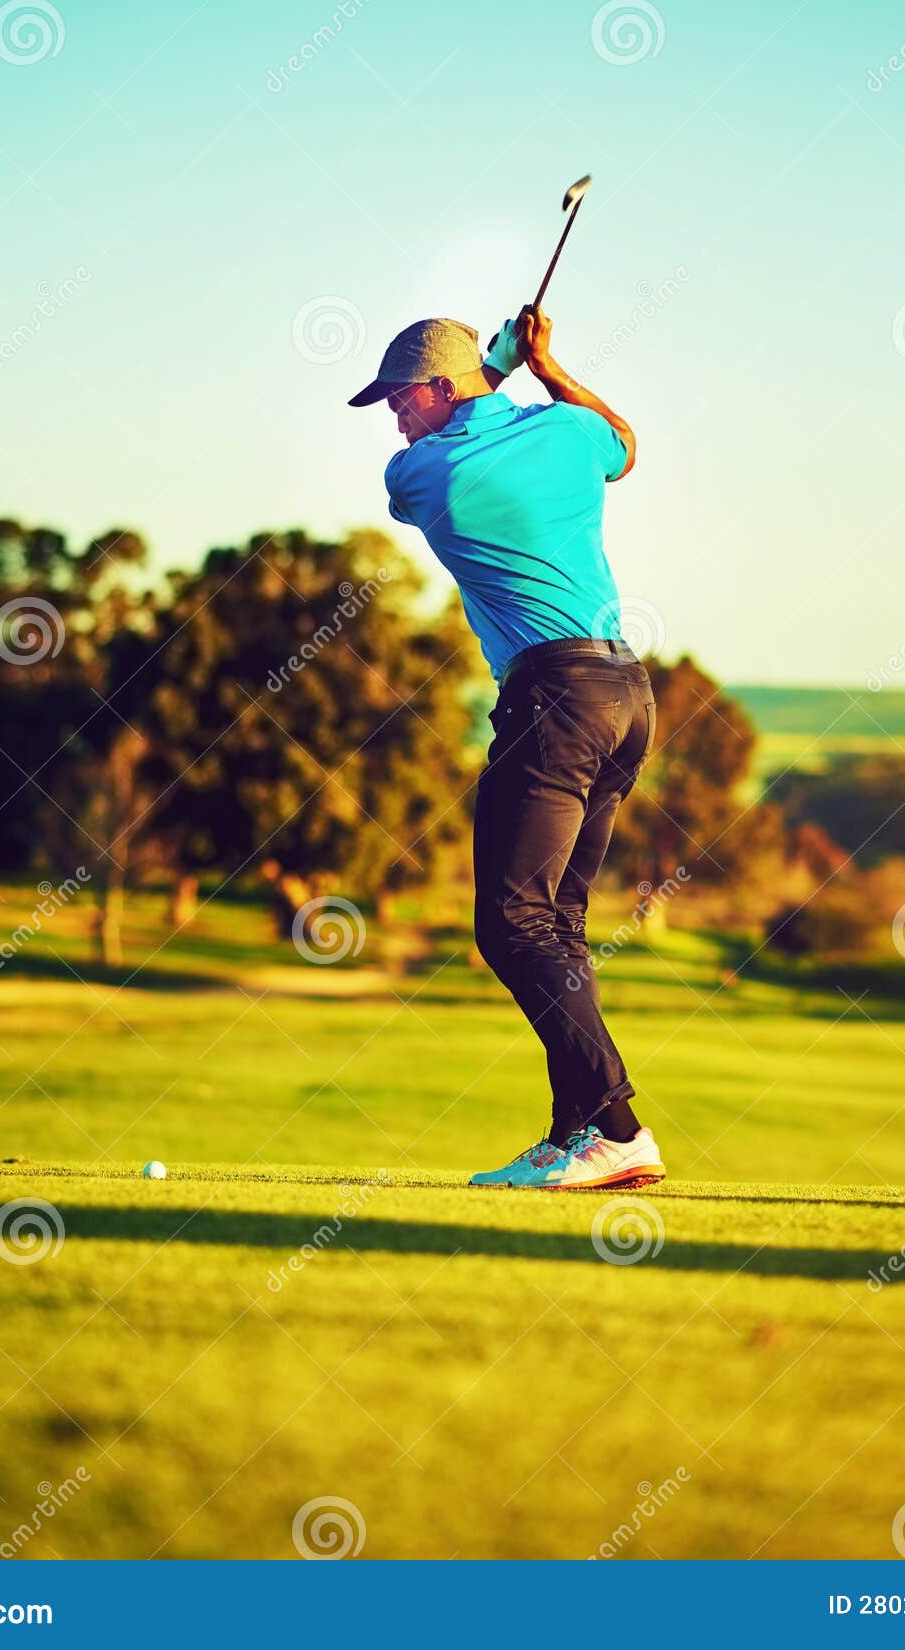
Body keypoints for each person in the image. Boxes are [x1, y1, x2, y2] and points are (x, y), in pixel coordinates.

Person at [347, 307, 664, 1190]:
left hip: (550, 699)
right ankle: (574, 1136)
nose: (393, 417)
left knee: (512, 923)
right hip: (626, 694)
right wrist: (544, 367)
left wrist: (503, 364)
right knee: (556, 924)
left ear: (442, 389)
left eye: (401, 397)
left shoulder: (422, 473)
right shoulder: (565, 431)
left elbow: (446, 442)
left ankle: (619, 1127)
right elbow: (623, 444)